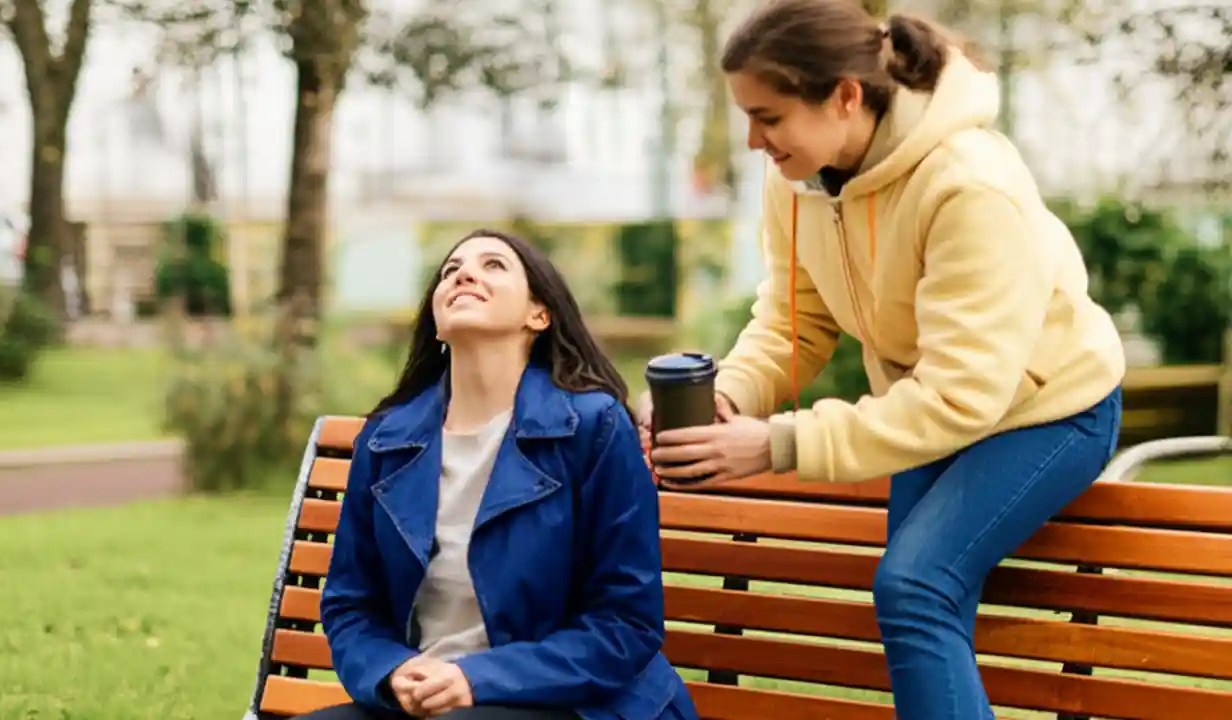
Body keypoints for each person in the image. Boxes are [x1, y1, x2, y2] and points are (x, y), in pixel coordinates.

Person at [645, 1, 1124, 718]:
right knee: (918, 600)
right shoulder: (799, 181)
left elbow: (965, 395)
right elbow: (792, 323)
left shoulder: (968, 186)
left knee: (915, 587)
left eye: (769, 117)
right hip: (929, 409)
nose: (751, 140)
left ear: (843, 95)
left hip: (1049, 409)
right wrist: (734, 396)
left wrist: (778, 444)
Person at [301, 230, 699, 720]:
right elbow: (351, 605)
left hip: (579, 703)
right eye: (451, 271)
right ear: (436, 324)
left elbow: (625, 624)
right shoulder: (386, 440)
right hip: (427, 702)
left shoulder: (593, 428)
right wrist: (390, 671)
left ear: (540, 314)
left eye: (493, 265)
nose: (464, 274)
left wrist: (476, 679)